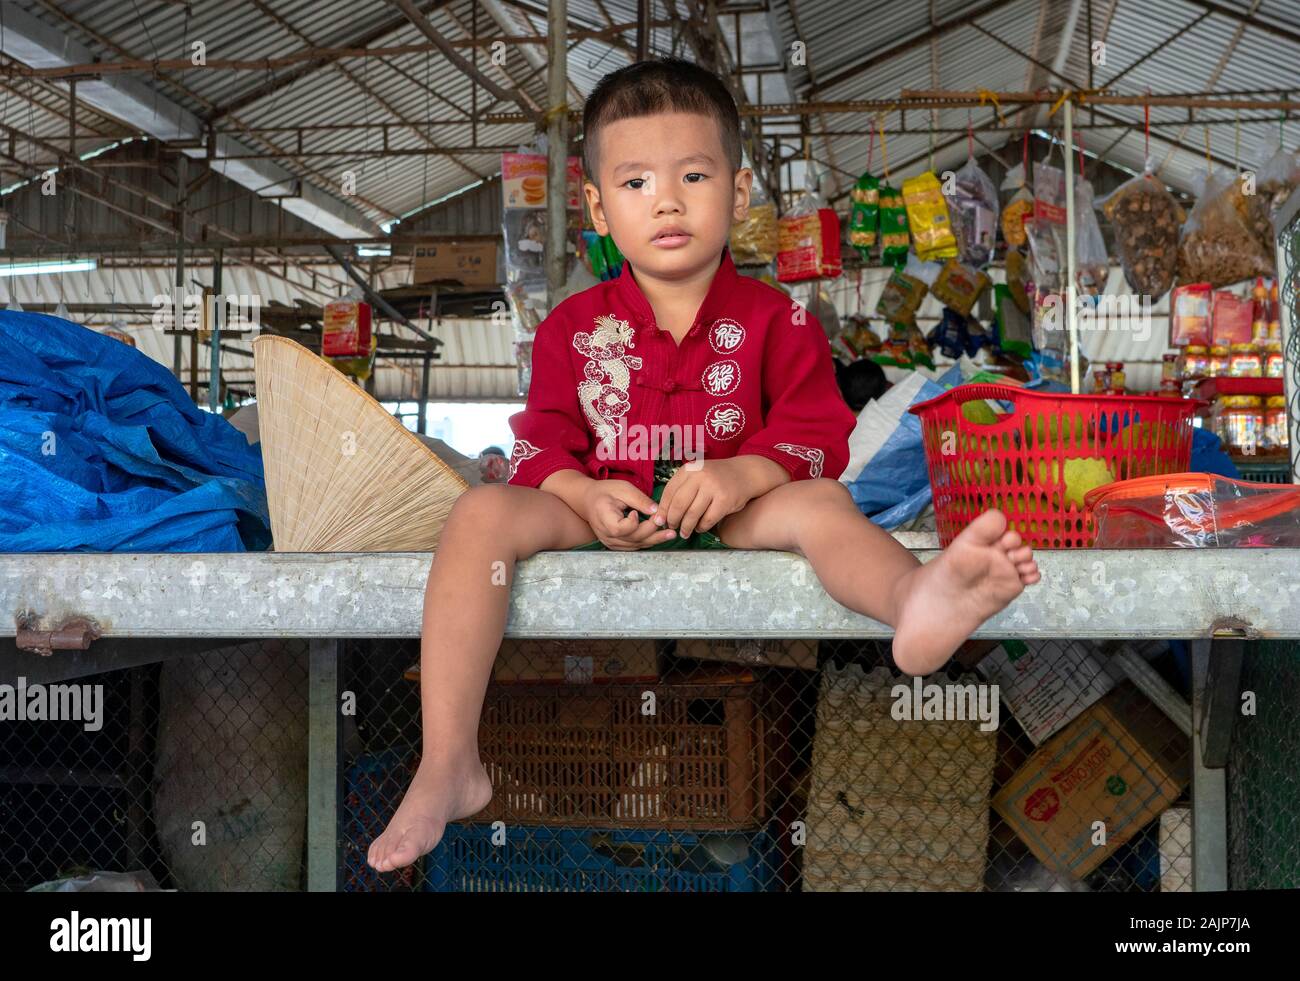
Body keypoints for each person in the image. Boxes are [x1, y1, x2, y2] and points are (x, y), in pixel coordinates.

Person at [367, 58, 1039, 873]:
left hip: (732, 511)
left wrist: (744, 473)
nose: (669, 199)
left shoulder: (780, 318)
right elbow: (543, 438)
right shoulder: (568, 329)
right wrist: (582, 487)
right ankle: (449, 763)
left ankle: (916, 599)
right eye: (638, 180)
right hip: (600, 505)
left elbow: (817, 431)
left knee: (821, 501)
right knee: (479, 514)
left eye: (694, 174)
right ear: (597, 207)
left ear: (740, 192)